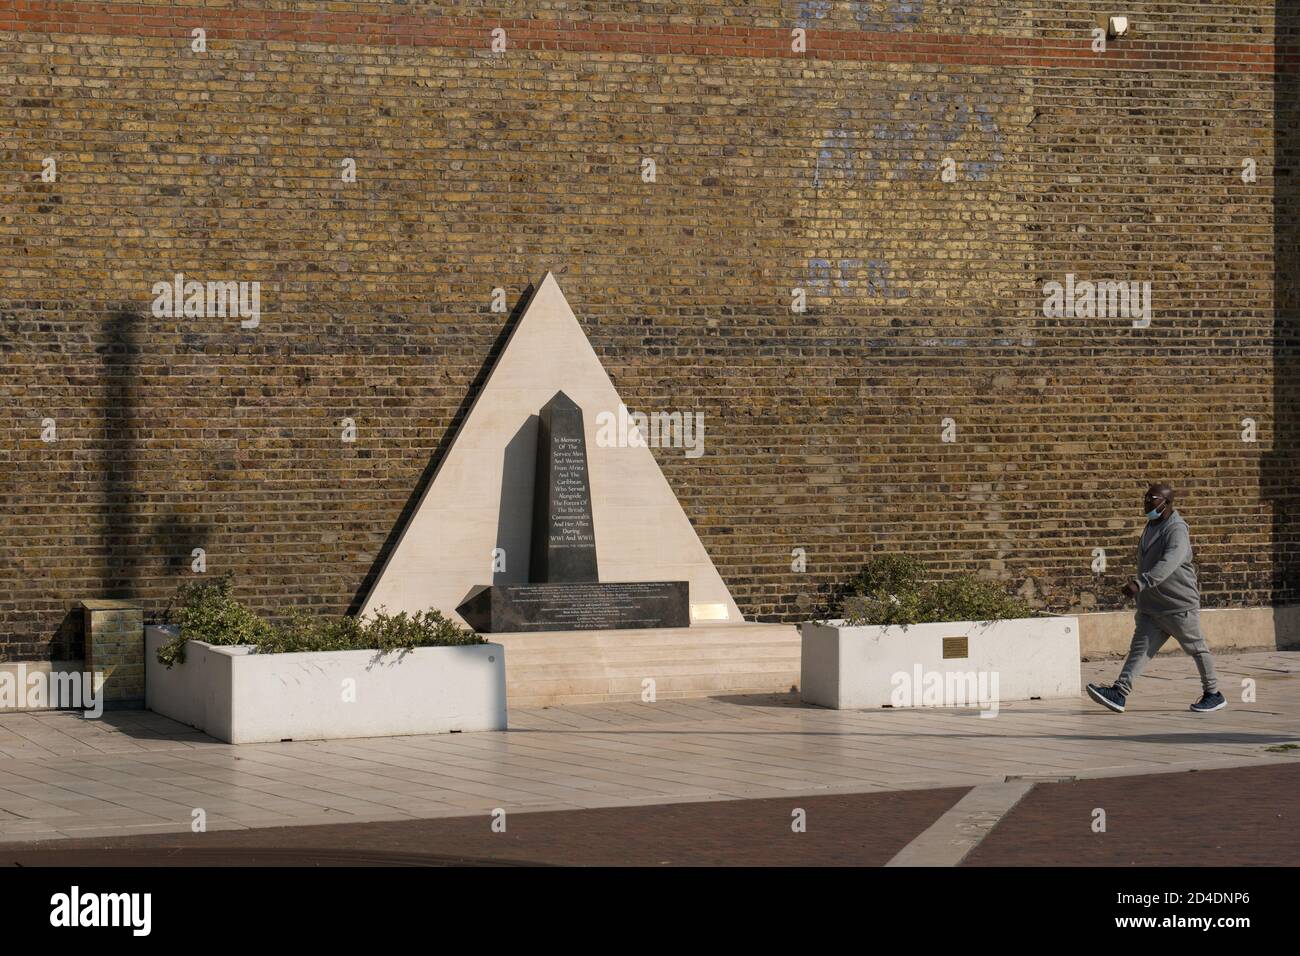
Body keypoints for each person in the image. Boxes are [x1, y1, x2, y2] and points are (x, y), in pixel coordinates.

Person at [1086, 483, 1226, 714]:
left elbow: (1169, 562)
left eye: (1153, 499)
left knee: (1196, 648)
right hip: (1151, 606)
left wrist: (1140, 583)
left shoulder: (1177, 529)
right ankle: (1120, 693)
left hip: (1177, 604)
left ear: (1167, 503)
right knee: (1139, 650)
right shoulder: (1152, 524)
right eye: (1145, 498)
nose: (1147, 502)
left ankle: (1214, 693)